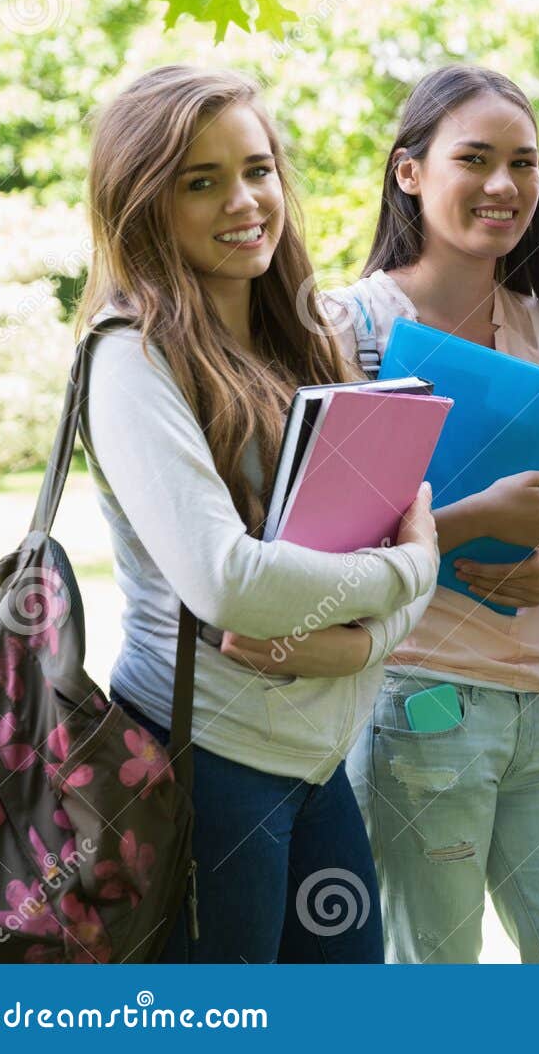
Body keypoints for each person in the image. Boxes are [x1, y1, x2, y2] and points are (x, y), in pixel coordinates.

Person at [78, 65, 439, 962]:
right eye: (199, 181)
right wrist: (413, 572)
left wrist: (363, 640)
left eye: (257, 168)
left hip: (316, 764)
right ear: (143, 205)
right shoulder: (130, 360)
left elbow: (387, 524)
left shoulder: (304, 341)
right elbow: (228, 581)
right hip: (205, 768)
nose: (243, 201)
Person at [327, 65, 539, 965]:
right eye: (476, 159)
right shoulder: (349, 325)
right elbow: (323, 542)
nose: (505, 186)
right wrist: (471, 515)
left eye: (524, 164)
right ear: (409, 172)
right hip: (414, 695)